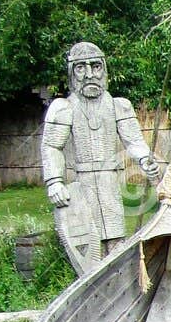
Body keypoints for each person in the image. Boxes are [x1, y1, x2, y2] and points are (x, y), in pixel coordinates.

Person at [41, 42, 163, 275]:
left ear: (104, 70)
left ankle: (121, 286)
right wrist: (54, 181)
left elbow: (133, 141)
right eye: (80, 68)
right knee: (88, 242)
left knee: (115, 239)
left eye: (95, 66)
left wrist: (145, 159)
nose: (89, 75)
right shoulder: (63, 108)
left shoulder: (119, 106)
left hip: (109, 182)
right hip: (82, 186)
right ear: (71, 72)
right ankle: (93, 290)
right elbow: (51, 147)